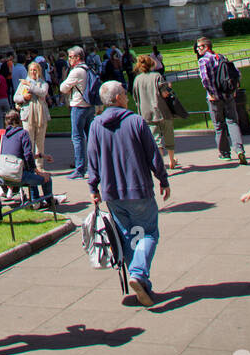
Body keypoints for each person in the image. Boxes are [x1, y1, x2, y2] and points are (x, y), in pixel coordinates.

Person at [86, 80, 170, 308]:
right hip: (138, 189)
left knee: (129, 237)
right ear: (117, 99)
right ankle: (138, 273)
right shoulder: (135, 121)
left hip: (113, 193)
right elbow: (153, 155)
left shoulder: (95, 126)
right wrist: (163, 178)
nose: (127, 96)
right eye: (124, 93)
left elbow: (91, 159)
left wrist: (93, 188)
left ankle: (143, 284)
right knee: (149, 233)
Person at [196, 36, 247, 164]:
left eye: (199, 47)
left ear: (206, 47)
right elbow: (236, 73)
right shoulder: (222, 57)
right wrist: (233, 89)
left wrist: (212, 92)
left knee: (219, 126)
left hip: (214, 98)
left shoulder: (203, 61)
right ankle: (239, 150)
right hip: (228, 95)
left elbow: (205, 79)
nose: (197, 50)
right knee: (232, 122)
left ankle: (225, 153)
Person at [0, 110, 61, 206]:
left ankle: (36, 201)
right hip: (18, 176)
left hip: (4, 175)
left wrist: (41, 156)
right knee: (47, 178)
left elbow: (20, 156)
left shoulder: (4, 136)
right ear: (19, 121)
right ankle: (49, 203)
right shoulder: (23, 133)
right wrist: (38, 172)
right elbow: (28, 156)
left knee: (30, 171)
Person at [132, 54, 179, 172]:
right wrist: (168, 86)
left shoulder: (137, 79)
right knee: (169, 135)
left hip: (146, 112)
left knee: (156, 139)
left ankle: (161, 164)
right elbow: (164, 94)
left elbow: (135, 97)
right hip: (162, 110)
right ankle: (172, 160)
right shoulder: (157, 76)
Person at [60, 45, 95, 178]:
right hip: (89, 105)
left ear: (77, 57)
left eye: (71, 57)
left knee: (77, 138)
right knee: (90, 137)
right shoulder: (88, 68)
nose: (69, 59)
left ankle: (80, 169)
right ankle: (94, 167)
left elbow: (63, 88)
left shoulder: (76, 71)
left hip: (78, 106)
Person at [15, 60, 52, 166]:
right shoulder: (23, 84)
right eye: (31, 70)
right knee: (29, 142)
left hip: (41, 115)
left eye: (35, 70)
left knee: (40, 142)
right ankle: (30, 166)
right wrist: (23, 97)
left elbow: (42, 93)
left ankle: (39, 166)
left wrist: (30, 85)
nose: (33, 72)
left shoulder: (43, 83)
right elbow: (15, 97)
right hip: (28, 115)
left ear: (39, 71)